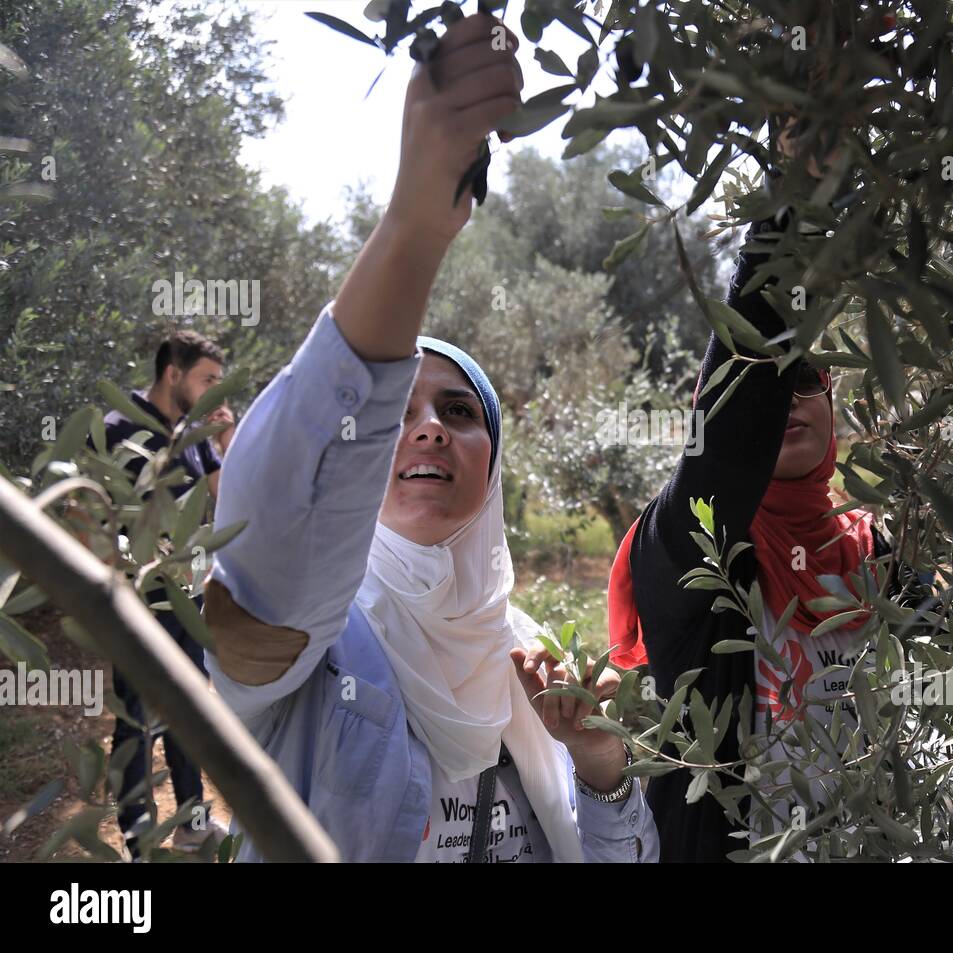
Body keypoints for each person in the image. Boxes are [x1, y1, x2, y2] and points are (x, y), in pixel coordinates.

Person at [202, 13, 657, 863]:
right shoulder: (315, 643)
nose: (426, 428)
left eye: (459, 411)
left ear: (492, 465)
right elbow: (279, 526)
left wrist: (599, 765)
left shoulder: (527, 652)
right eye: (396, 412)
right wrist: (413, 228)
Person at [606, 143, 933, 863]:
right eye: (771, 384)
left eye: (808, 381)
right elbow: (726, 446)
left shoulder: (880, 557)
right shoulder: (690, 549)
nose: (788, 397)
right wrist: (787, 219)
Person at [100, 329, 235, 857]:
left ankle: (192, 821)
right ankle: (138, 844)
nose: (214, 393)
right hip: (140, 604)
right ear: (173, 373)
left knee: (186, 708)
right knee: (137, 719)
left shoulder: (194, 432)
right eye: (207, 380)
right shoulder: (117, 430)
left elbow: (225, 498)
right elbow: (93, 522)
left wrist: (225, 438)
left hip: (191, 601)